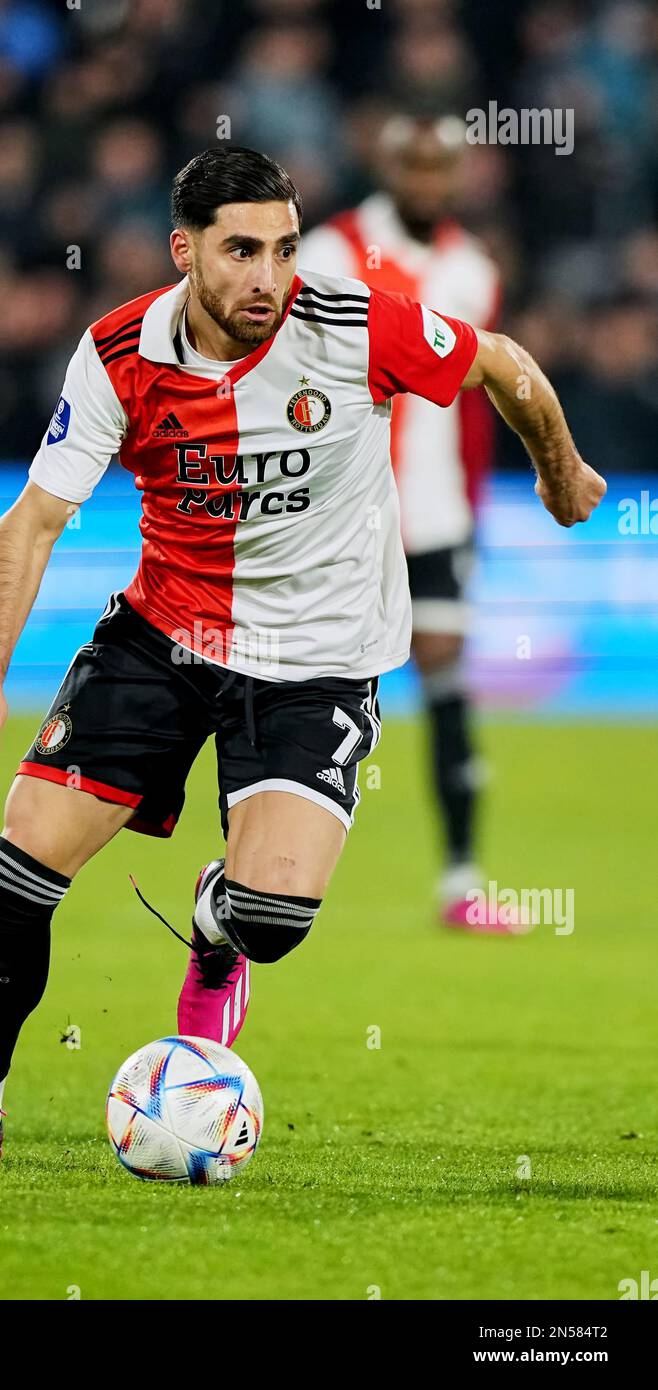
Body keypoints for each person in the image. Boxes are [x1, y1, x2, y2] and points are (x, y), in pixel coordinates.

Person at [0, 146, 604, 1164]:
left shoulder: (351, 323)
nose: (268, 276)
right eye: (242, 250)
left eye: (285, 249)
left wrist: (557, 468)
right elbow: (33, 521)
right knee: (24, 849)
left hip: (317, 656)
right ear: (185, 251)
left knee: (269, 917)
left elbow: (496, 360)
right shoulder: (119, 350)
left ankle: (219, 926)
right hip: (165, 633)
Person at [300, 113, 503, 927]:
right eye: (413, 168)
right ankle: (264, 864)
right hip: (340, 513)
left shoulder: (471, 268)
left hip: (435, 508)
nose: (427, 183)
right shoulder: (326, 255)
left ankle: (461, 879)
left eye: (440, 169)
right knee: (307, 679)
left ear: (456, 173)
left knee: (448, 671)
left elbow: (478, 405)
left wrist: (476, 512)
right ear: (388, 166)